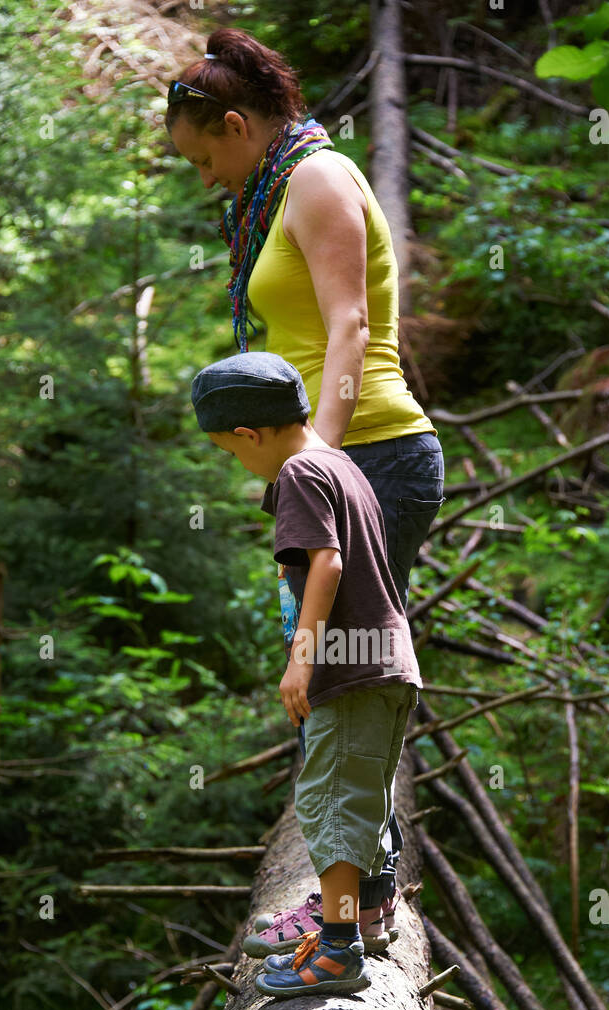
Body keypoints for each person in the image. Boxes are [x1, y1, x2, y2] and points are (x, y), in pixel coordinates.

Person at [166, 27, 443, 948]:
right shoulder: (275, 188)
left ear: (239, 126)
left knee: (340, 675)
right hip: (336, 458)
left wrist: (312, 463)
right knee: (331, 670)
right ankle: (361, 884)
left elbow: (351, 326)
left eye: (206, 155)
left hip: (369, 454)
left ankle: (355, 904)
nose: (207, 177)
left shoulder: (317, 180)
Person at [190, 351, 421, 999]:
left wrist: (302, 657)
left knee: (329, 808)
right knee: (360, 803)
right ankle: (361, 917)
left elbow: (326, 563)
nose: (239, 463)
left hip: (347, 668)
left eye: (230, 452)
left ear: (248, 435)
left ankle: (339, 951)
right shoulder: (339, 462)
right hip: (385, 664)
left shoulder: (297, 472)